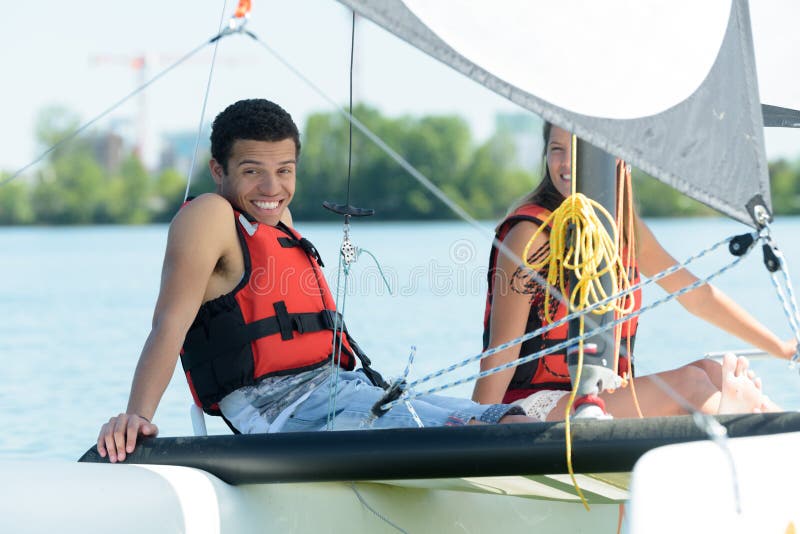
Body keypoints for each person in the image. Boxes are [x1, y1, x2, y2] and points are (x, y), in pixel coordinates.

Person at [97, 98, 533, 463]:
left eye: (285, 170)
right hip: (280, 412)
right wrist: (136, 416)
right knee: (484, 433)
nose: (272, 186)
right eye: (252, 171)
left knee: (510, 420)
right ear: (218, 170)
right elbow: (169, 324)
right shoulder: (208, 215)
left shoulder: (275, 220)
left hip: (342, 390)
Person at [473, 122, 795, 421]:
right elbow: (503, 350)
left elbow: (698, 298)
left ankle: (783, 440)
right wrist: (478, 422)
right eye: (556, 149)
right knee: (692, 384)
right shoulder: (529, 235)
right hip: (532, 405)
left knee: (710, 371)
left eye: (580, 150)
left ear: (615, 157)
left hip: (599, 394)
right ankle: (735, 429)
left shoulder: (625, 229)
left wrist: (780, 348)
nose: (566, 162)